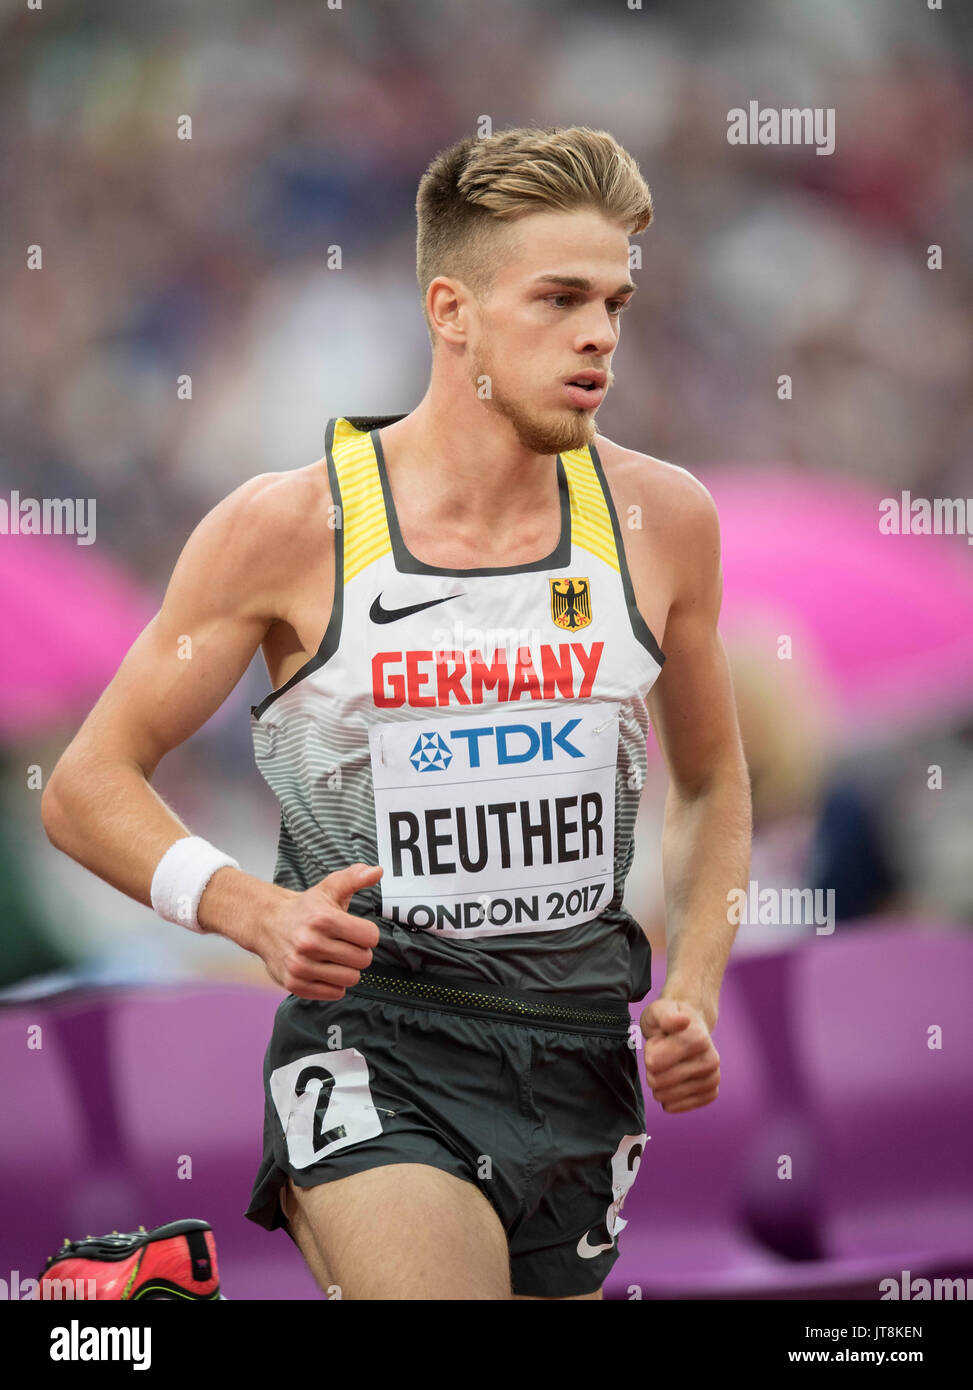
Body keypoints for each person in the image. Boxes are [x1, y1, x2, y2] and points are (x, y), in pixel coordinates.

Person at [42, 125, 751, 1301]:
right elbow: (85, 785)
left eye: (616, 304)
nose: (598, 337)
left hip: (578, 1050)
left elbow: (717, 781)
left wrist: (695, 986)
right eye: (560, 298)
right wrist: (251, 912)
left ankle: (156, 1296)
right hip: (378, 1038)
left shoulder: (662, 520)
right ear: (451, 310)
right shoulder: (287, 528)